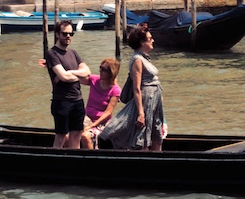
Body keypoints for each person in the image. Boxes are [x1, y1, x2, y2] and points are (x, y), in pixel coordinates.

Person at [100, 24, 166, 151]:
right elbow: (136, 88)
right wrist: (141, 113)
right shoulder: (137, 60)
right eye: (150, 38)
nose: (153, 40)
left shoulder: (145, 57)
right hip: (146, 101)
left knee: (156, 132)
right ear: (142, 42)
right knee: (144, 136)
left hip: (154, 101)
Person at [46, 20, 91, 148]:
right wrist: (77, 75)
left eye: (71, 34)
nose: (68, 36)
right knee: (61, 137)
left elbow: (87, 72)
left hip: (77, 100)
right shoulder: (52, 53)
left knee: (76, 135)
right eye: (65, 34)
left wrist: (70, 72)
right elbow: (64, 77)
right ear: (57, 34)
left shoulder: (74, 53)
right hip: (62, 102)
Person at [81, 57, 121, 149]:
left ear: (111, 72)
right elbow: (76, 78)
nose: (100, 71)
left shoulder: (115, 90)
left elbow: (108, 112)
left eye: (104, 69)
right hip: (86, 118)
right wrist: (53, 67)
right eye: (100, 68)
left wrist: (92, 125)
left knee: (85, 136)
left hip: (100, 123)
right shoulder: (94, 80)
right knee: (68, 136)